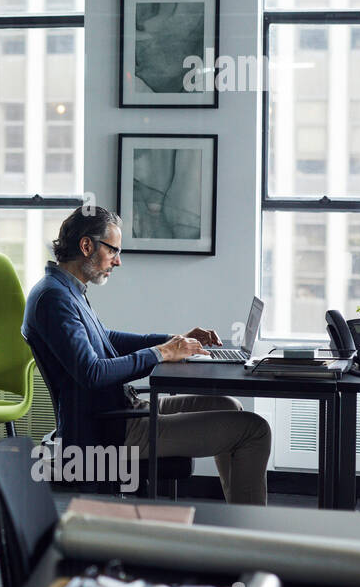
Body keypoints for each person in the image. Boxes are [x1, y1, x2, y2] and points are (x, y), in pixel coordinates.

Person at [22, 206, 271, 505]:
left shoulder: (67, 290)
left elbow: (107, 339)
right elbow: (91, 372)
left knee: (230, 406)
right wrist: (161, 353)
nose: (118, 261)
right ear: (86, 246)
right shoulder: (54, 298)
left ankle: (238, 521)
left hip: (121, 409)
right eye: (113, 250)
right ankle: (248, 539)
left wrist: (174, 340)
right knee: (255, 430)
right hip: (111, 429)